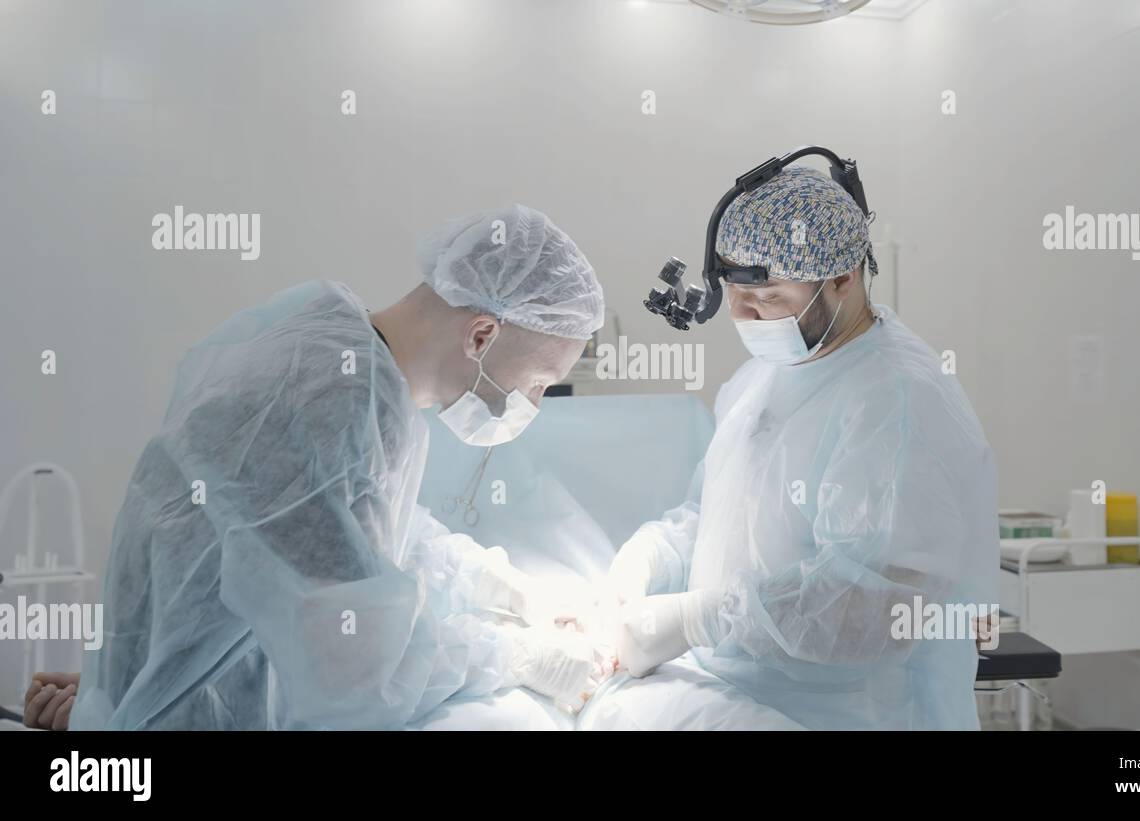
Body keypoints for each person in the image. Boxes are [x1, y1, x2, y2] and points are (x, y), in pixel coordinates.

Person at [32, 204, 610, 730]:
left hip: (158, 695)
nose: (530, 405)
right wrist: (514, 656)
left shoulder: (332, 338)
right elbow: (356, 674)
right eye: (538, 385)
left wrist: (498, 585)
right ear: (481, 335)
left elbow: (363, 547)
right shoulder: (342, 404)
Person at [604, 167, 1000, 730]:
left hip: (847, 713)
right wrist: (650, 558)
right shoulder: (762, 378)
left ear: (843, 277)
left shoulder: (897, 399)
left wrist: (698, 621)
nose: (741, 315)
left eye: (766, 296)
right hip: (737, 695)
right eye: (734, 295)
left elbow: (876, 605)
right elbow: (715, 515)